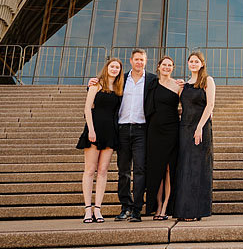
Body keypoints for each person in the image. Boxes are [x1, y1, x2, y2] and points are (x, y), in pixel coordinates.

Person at [90, 49, 158, 222]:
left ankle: (137, 209)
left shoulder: (151, 80)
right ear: (131, 60)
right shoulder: (122, 78)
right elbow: (105, 88)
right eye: (136, 59)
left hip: (141, 130)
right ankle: (125, 207)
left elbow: (164, 90)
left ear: (146, 61)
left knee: (140, 170)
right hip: (121, 129)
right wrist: (92, 83)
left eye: (142, 60)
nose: (139, 62)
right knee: (123, 171)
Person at [76, 57, 123, 224]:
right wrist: (91, 130)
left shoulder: (119, 88)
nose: (114, 69)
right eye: (112, 66)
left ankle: (98, 209)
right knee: (90, 170)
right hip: (94, 130)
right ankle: (87, 209)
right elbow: (87, 108)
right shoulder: (96, 84)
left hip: (110, 131)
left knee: (103, 171)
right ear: (107, 68)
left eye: (117, 67)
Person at [174, 51, 215, 221]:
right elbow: (178, 105)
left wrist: (199, 127)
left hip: (200, 128)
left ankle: (195, 211)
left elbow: (210, 104)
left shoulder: (207, 80)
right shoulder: (184, 85)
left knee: (198, 168)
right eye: (191, 61)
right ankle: (184, 210)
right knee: (185, 168)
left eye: (196, 61)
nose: (193, 64)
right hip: (184, 128)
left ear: (202, 64)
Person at [144, 56, 182, 220]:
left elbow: (187, 105)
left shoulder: (178, 85)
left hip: (172, 129)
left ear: (173, 68)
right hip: (154, 130)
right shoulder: (151, 83)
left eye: (170, 65)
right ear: (158, 67)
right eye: (164, 65)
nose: (167, 67)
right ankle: (157, 205)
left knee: (168, 168)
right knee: (156, 168)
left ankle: (166, 206)